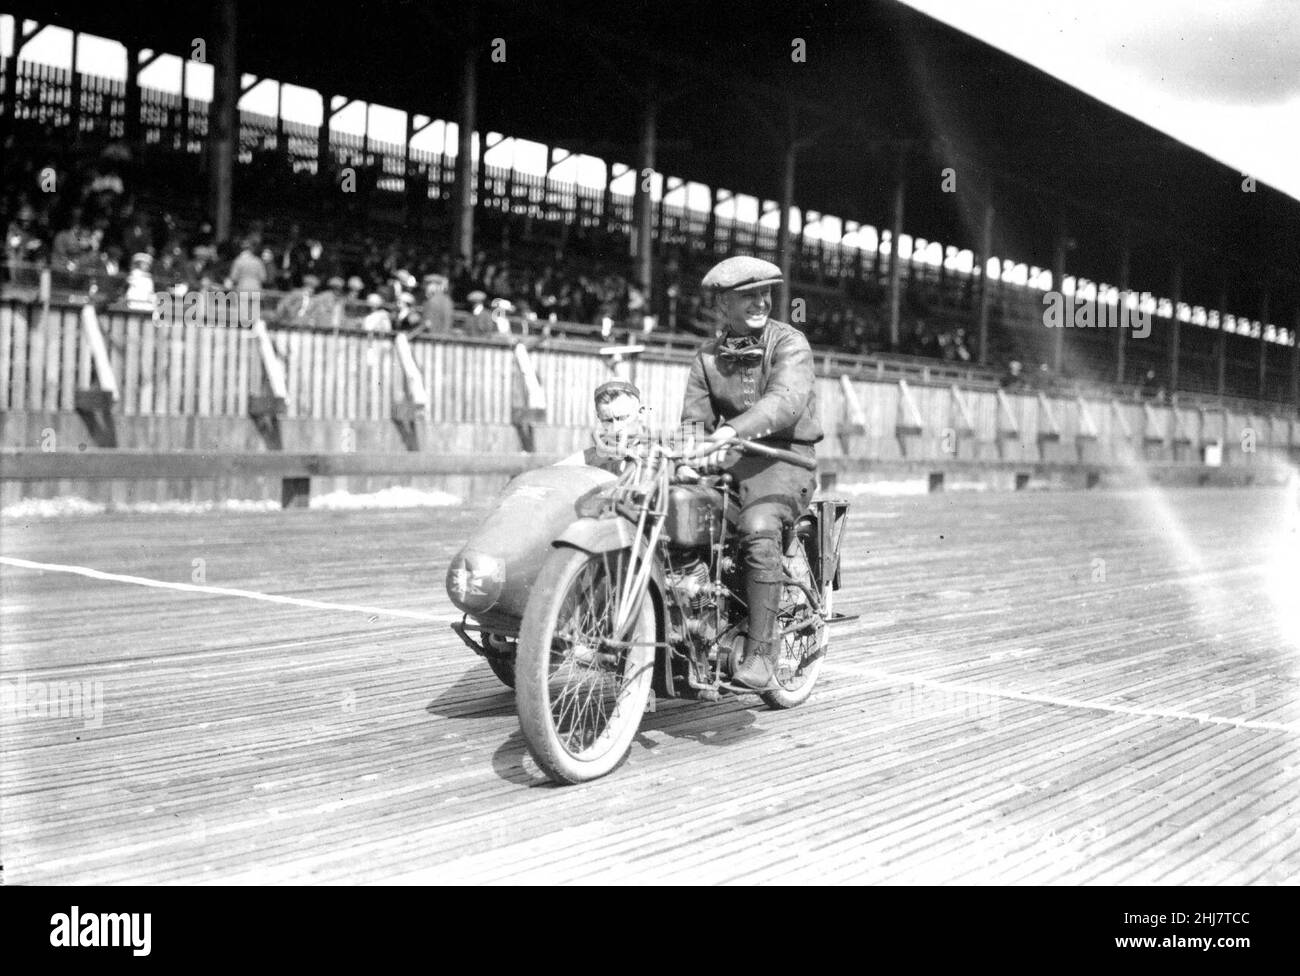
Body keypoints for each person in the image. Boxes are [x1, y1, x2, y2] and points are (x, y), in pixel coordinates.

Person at [678, 256, 822, 692]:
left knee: (758, 528)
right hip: (730, 462)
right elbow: (692, 423)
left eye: (765, 293)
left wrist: (730, 431)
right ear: (724, 303)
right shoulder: (705, 358)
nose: (760, 302)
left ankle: (762, 652)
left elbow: (785, 402)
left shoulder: (789, 344)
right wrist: (687, 456)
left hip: (785, 462)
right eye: (747, 295)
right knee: (675, 514)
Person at [556, 379, 647, 474]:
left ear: (641, 412)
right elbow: (550, 474)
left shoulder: (658, 455)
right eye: (607, 420)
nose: (616, 428)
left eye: (622, 418)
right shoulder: (591, 457)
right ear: (599, 417)